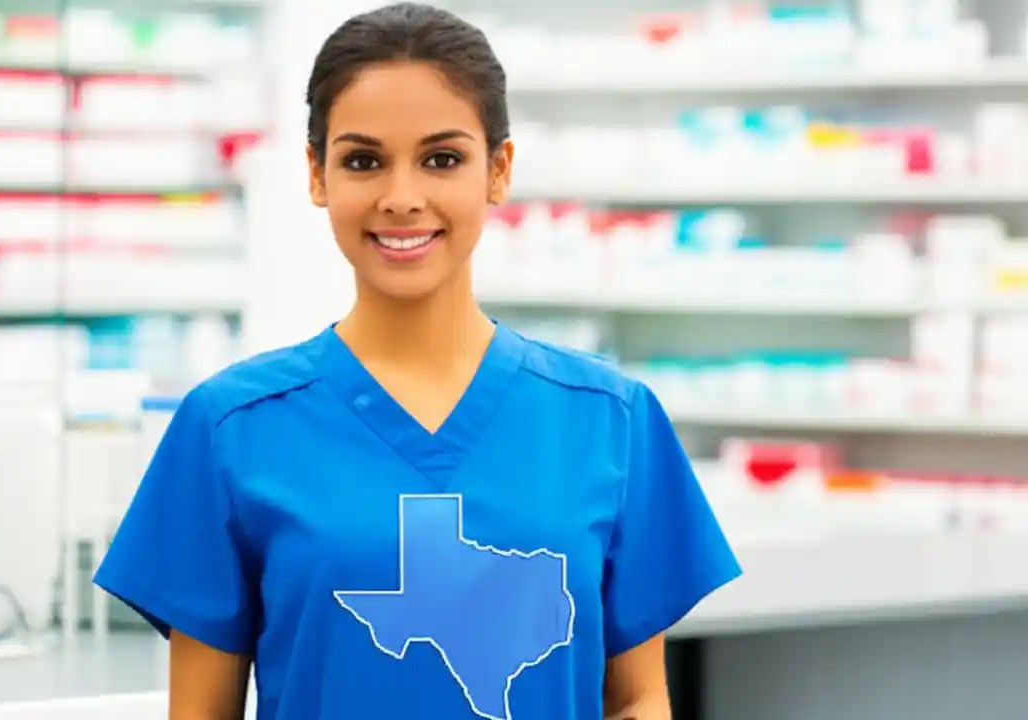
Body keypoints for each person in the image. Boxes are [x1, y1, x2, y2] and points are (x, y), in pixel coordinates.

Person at [93, 3, 741, 719]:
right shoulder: (228, 429)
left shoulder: (609, 421)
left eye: (442, 159)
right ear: (317, 174)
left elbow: (638, 700)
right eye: (364, 161)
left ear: (498, 170)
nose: (402, 198)